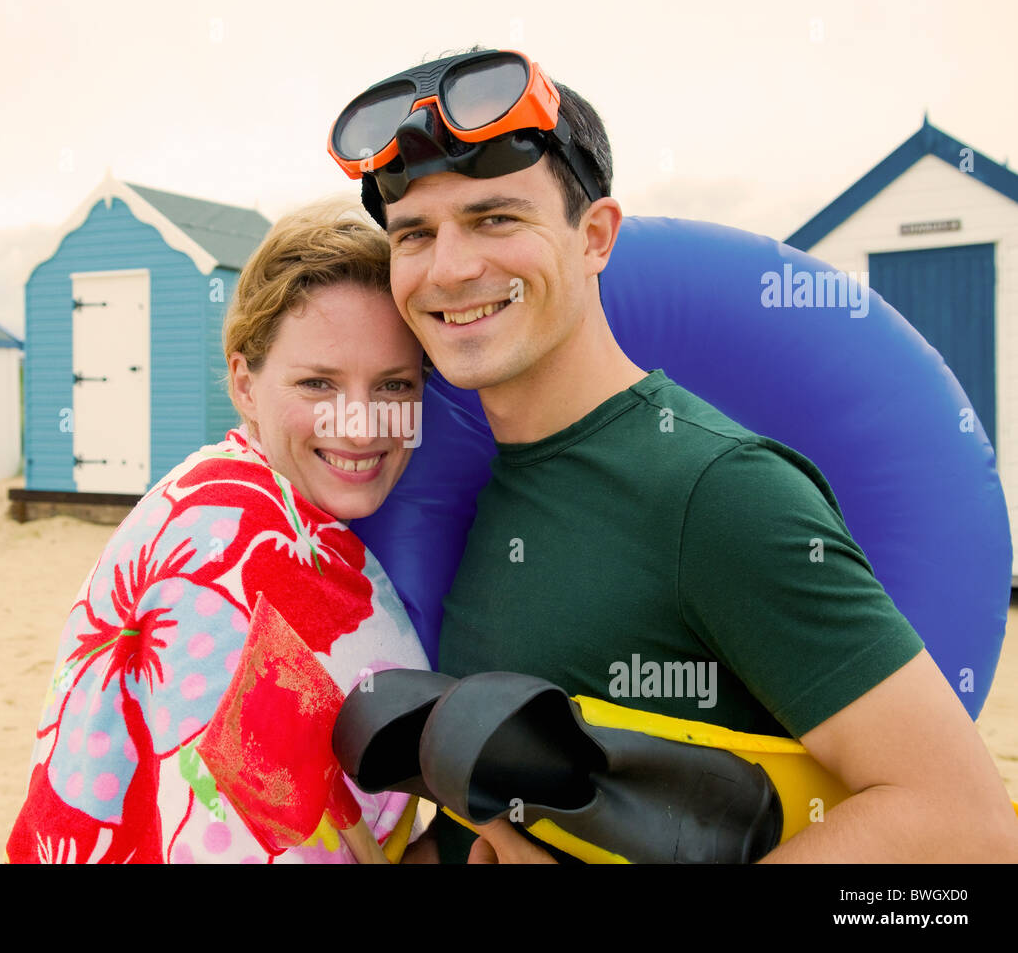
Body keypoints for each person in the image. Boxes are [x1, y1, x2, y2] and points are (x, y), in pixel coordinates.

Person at [327, 47, 1018, 863]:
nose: (450, 267)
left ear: (595, 237)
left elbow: (965, 823)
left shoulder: (716, 491)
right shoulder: (484, 480)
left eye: (496, 219)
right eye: (415, 234)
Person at [5, 200, 430, 863]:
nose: (361, 425)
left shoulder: (224, 494)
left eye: (394, 385)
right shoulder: (229, 553)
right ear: (244, 382)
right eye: (318, 382)